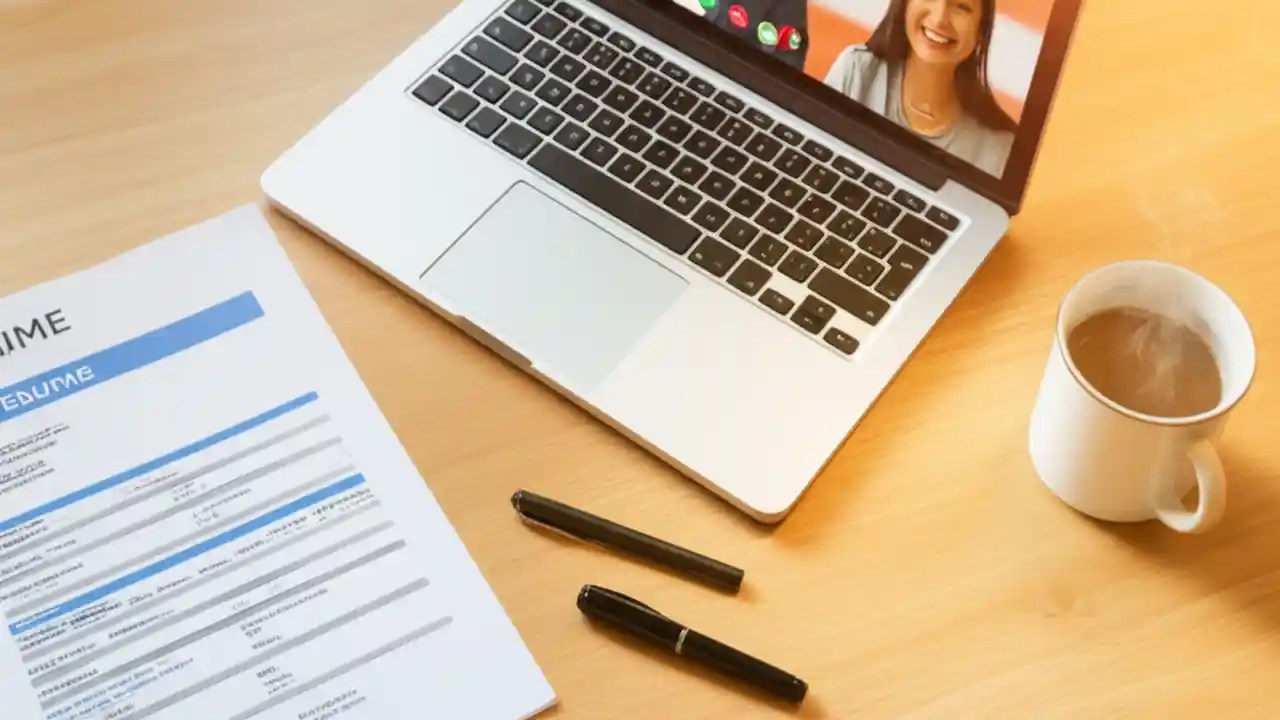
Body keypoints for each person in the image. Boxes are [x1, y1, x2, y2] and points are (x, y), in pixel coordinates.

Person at [824, 0, 1016, 176]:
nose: (940, 19)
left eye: (961, 6)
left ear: (981, 30)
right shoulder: (857, 71)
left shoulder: (1000, 149)